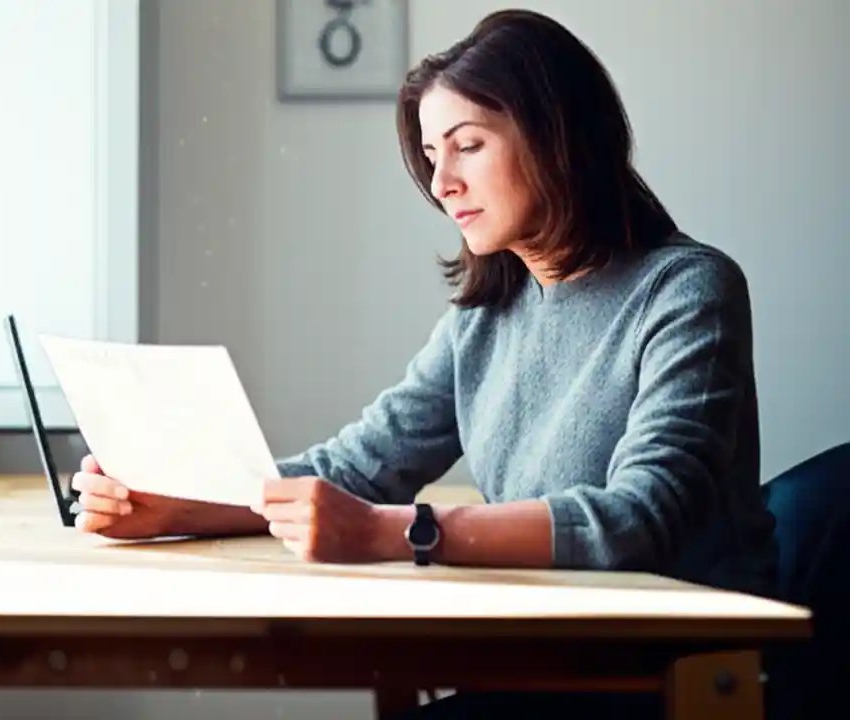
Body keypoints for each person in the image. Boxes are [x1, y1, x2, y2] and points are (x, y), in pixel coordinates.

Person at [70, 9, 777, 717]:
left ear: (558, 136)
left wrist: (391, 531)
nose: (442, 183)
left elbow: (640, 517)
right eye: (433, 155)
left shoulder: (687, 291)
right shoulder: (485, 315)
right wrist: (175, 504)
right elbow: (357, 467)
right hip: (542, 658)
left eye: (466, 146)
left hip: (671, 678)